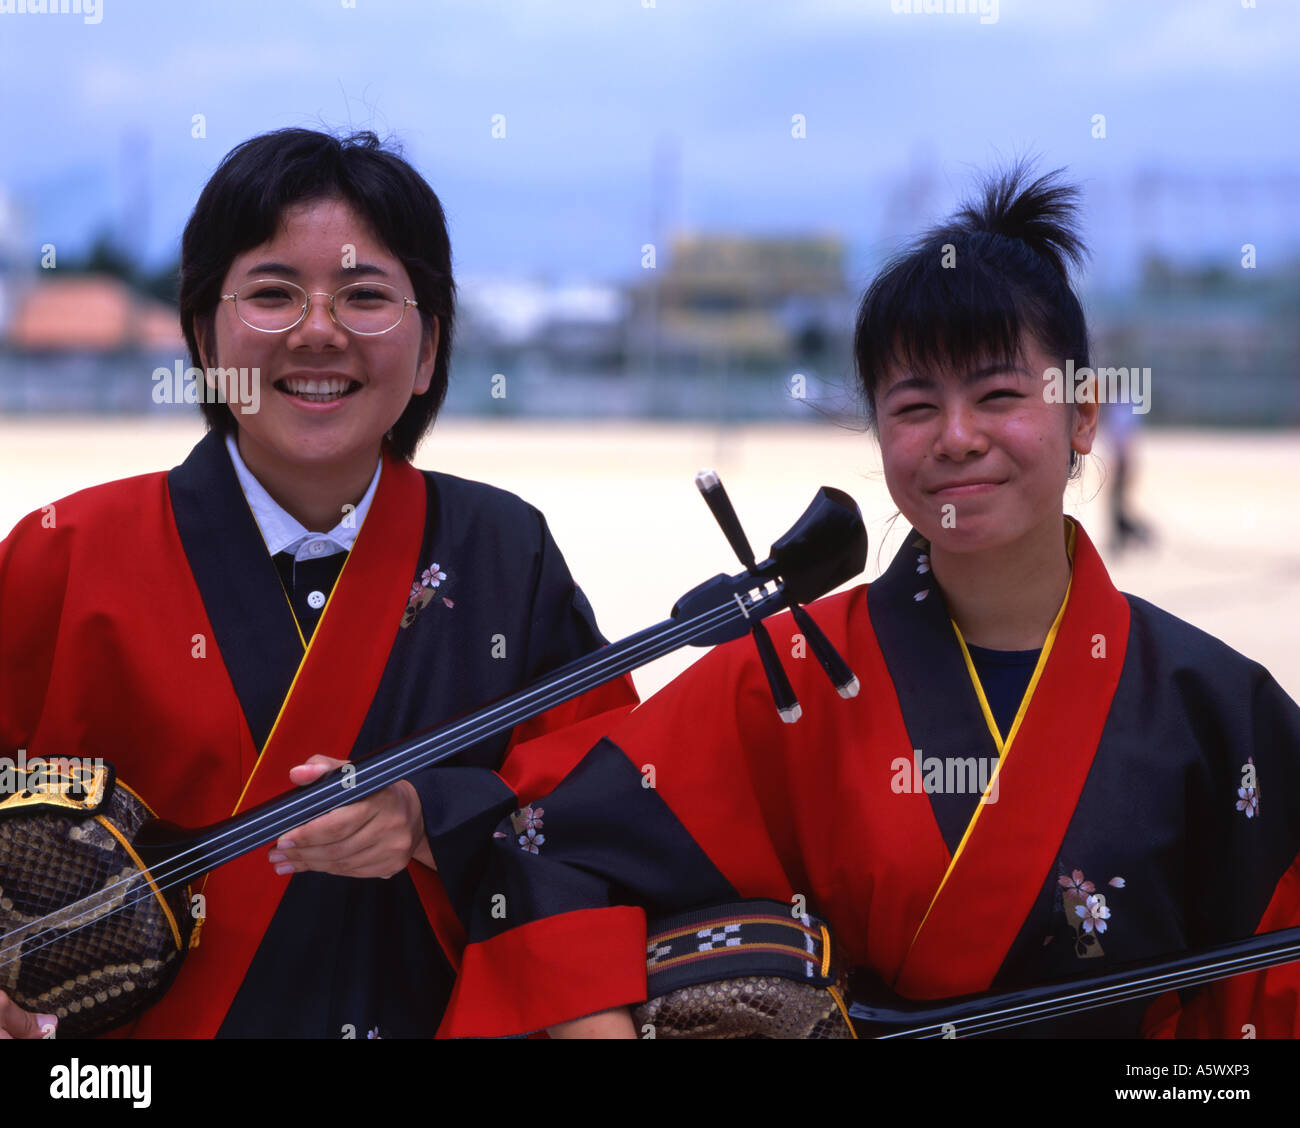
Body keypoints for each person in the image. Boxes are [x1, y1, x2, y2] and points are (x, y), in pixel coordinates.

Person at [420, 164, 1300, 1039]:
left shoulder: (1216, 707)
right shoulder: (788, 679)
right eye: (915, 405)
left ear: (1082, 415)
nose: (957, 438)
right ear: (877, 429)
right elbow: (543, 842)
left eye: (998, 395)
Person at [0, 128, 636, 1039]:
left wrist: (432, 815)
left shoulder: (507, 551)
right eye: (272, 294)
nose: (318, 331)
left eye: (366, 296)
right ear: (200, 337)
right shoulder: (61, 554)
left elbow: (608, 805)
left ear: (428, 351)